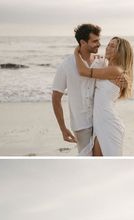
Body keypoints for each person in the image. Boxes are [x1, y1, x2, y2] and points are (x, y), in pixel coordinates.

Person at [74, 36, 133, 156]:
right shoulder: (108, 68)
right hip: (100, 122)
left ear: (120, 51)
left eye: (112, 46)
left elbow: (83, 71)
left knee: (108, 166)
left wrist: (76, 52)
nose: (107, 47)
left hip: (108, 123)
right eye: (108, 44)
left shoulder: (115, 71)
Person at [52, 23, 104, 155]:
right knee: (86, 159)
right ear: (83, 42)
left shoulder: (102, 62)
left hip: (102, 120)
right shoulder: (67, 65)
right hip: (81, 123)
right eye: (95, 41)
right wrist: (63, 128)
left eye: (99, 40)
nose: (99, 44)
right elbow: (56, 97)